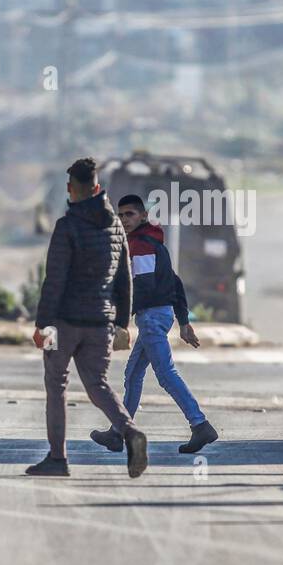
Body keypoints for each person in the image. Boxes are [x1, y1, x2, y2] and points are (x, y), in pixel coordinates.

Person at [28, 157, 149, 479]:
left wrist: (42, 325)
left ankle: (57, 458)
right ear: (98, 188)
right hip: (102, 321)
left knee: (56, 385)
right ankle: (130, 430)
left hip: (66, 321)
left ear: (72, 189)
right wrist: (122, 323)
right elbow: (125, 279)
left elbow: (54, 280)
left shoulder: (67, 227)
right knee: (97, 384)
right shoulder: (115, 227)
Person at [90, 195, 219, 455]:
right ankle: (118, 433)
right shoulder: (152, 242)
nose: (125, 219)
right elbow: (175, 283)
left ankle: (200, 424)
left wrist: (121, 320)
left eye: (130, 214)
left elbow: (144, 287)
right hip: (155, 316)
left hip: (151, 318)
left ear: (143, 216)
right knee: (133, 374)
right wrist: (183, 323)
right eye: (122, 215)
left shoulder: (141, 246)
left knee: (165, 374)